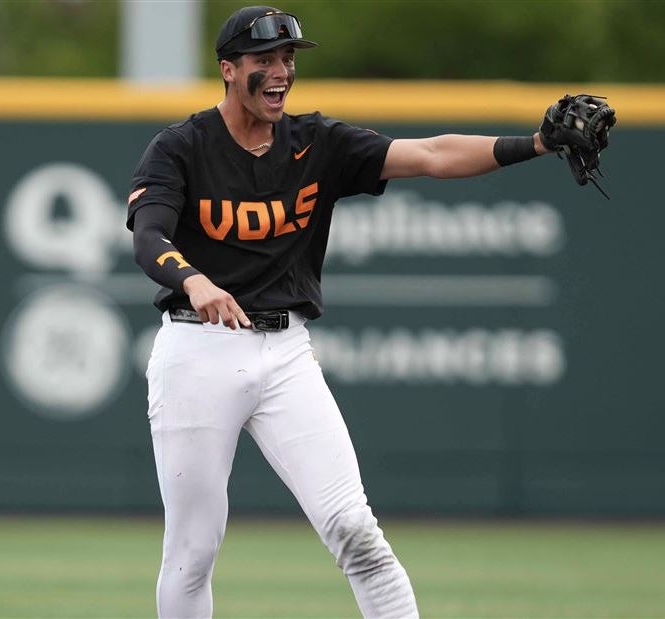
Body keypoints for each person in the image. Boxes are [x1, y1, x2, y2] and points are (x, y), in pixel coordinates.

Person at [126, 6, 612, 618]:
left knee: (356, 531)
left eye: (289, 59)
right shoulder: (181, 147)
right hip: (197, 351)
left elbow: (433, 154)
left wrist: (537, 143)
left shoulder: (317, 143)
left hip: (284, 353)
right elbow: (149, 237)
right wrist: (194, 281)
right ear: (228, 69)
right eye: (264, 61)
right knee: (192, 551)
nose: (280, 72)